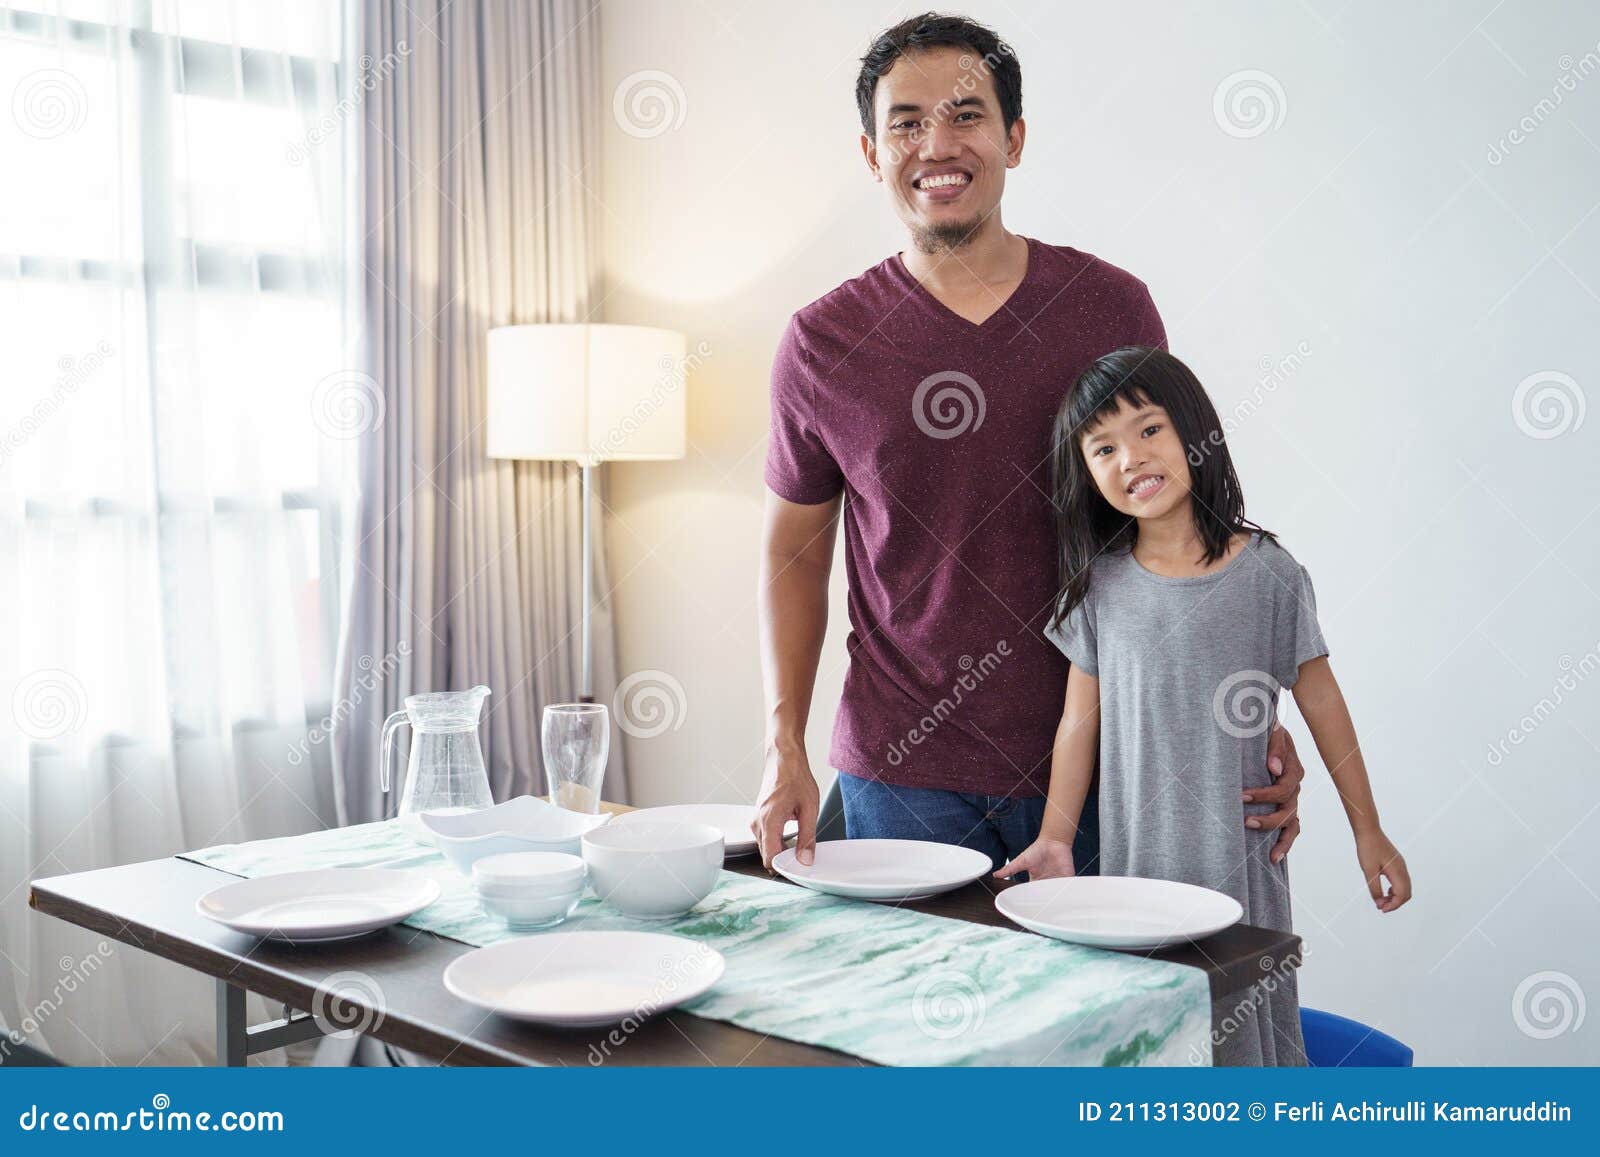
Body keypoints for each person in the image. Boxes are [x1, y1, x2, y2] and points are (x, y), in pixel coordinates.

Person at [754, 13, 1309, 870]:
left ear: (1014, 139)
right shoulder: (823, 343)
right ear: (872, 154)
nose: (937, 142)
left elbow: (1176, 527)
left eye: (967, 114)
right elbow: (794, 554)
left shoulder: (1112, 307)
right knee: (920, 1008)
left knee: (1115, 1007)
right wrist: (782, 741)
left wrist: (1244, 718)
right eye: (906, 121)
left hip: (1110, 756)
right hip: (904, 773)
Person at [997, 346, 1413, 1064]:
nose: (1131, 458)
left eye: (1149, 430)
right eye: (1103, 447)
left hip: (1241, 862)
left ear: (1195, 434)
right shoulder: (1098, 587)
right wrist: (1059, 836)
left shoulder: (1270, 572)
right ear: (1087, 473)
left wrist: (1367, 830)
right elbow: (1079, 720)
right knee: (1159, 1046)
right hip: (1136, 869)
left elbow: (1321, 700)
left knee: (1247, 1045)